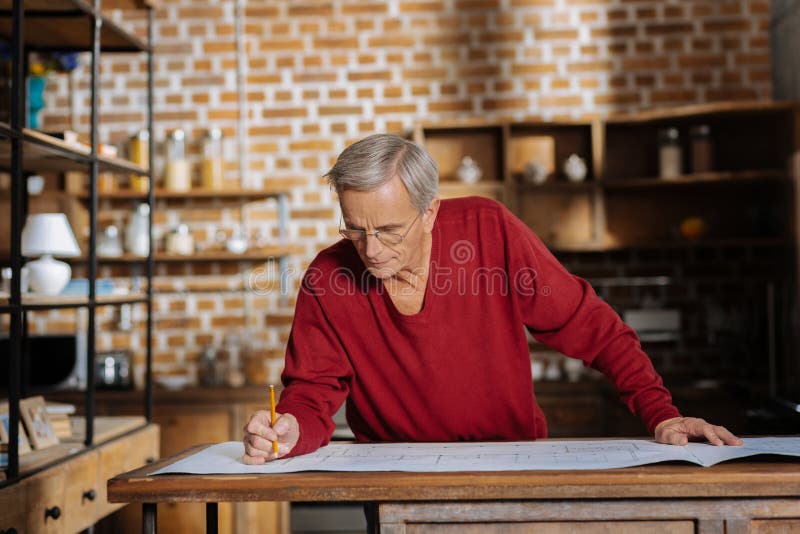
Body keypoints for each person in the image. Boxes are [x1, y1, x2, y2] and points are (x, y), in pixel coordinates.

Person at [243, 134, 741, 465]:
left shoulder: (488, 229)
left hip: (513, 464)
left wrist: (662, 413)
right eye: (354, 229)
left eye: (390, 231)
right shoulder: (328, 277)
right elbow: (311, 393)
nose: (371, 249)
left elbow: (593, 326)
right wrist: (289, 429)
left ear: (431, 211)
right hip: (393, 476)